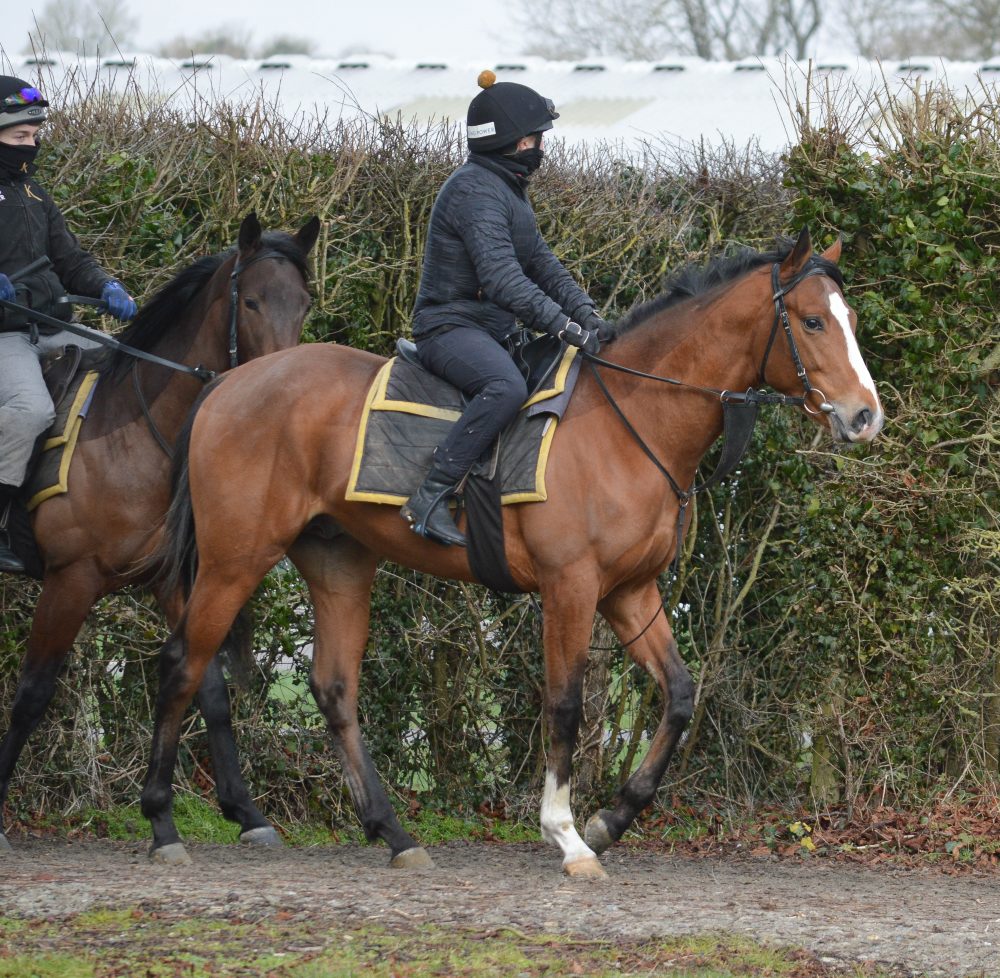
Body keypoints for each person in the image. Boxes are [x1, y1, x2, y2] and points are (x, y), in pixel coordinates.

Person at [402, 70, 614, 547]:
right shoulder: (474, 191)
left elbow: (542, 264)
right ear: (518, 143)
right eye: (538, 137)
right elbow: (502, 279)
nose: (542, 146)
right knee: (506, 386)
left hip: (488, 330)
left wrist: (588, 315)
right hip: (449, 329)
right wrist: (563, 326)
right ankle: (431, 495)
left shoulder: (506, 190)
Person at [0, 76, 137, 573]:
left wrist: (107, 286)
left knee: (128, 363)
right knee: (30, 411)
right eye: (20, 136)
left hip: (52, 326)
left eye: (35, 136)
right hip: (5, 336)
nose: (30, 146)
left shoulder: (35, 193)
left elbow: (71, 258)